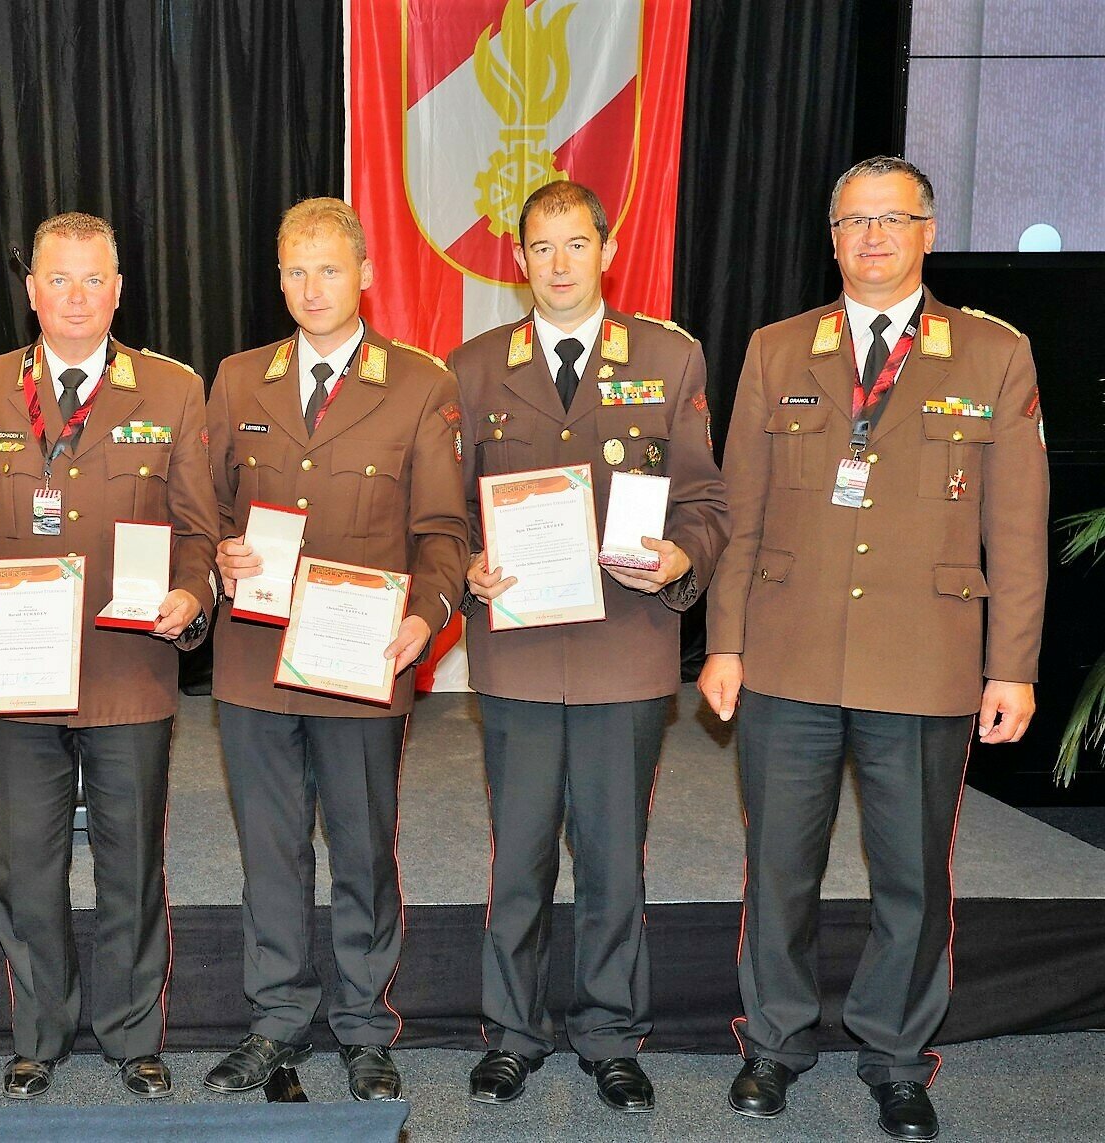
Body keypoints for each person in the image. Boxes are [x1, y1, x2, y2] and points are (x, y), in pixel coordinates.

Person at [699, 156, 1048, 1141]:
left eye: (893, 219)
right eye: (854, 221)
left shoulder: (992, 353)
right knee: (778, 868)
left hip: (923, 658)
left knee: (911, 877)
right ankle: (773, 1045)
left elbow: (1017, 527)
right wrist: (723, 643)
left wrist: (1012, 664)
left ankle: (895, 1059)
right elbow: (740, 511)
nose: (873, 237)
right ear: (832, 238)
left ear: (928, 232)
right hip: (787, 652)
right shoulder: (776, 350)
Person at [452, 180, 728, 1114]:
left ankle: (610, 1035)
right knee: (519, 859)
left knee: (614, 859)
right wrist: (469, 565)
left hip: (625, 648)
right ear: (518, 259)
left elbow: (705, 501)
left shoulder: (668, 357)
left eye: (577, 244)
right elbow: (445, 510)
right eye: (542, 246)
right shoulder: (474, 366)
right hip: (520, 656)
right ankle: (512, 1033)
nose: (560, 263)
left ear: (607, 250)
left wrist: (682, 555)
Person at [0, 212, 219, 1101]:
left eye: (95, 279)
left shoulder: (172, 389)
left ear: (119, 290)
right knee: (25, 866)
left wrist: (192, 595)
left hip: (130, 673)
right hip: (17, 676)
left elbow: (200, 533)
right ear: (31, 290)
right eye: (59, 278)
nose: (77, 297)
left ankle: (133, 1035)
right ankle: (40, 1033)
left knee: (131, 864)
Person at [198, 197, 467, 1103]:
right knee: (270, 854)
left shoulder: (421, 384)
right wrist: (218, 553)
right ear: (279, 280)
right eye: (295, 271)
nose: (312, 288)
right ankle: (276, 1019)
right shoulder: (239, 378)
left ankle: (363, 1027)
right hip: (255, 661)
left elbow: (443, 531)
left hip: (363, 661)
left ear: (366, 275)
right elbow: (205, 512)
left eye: (329, 269)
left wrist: (426, 619)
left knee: (362, 853)